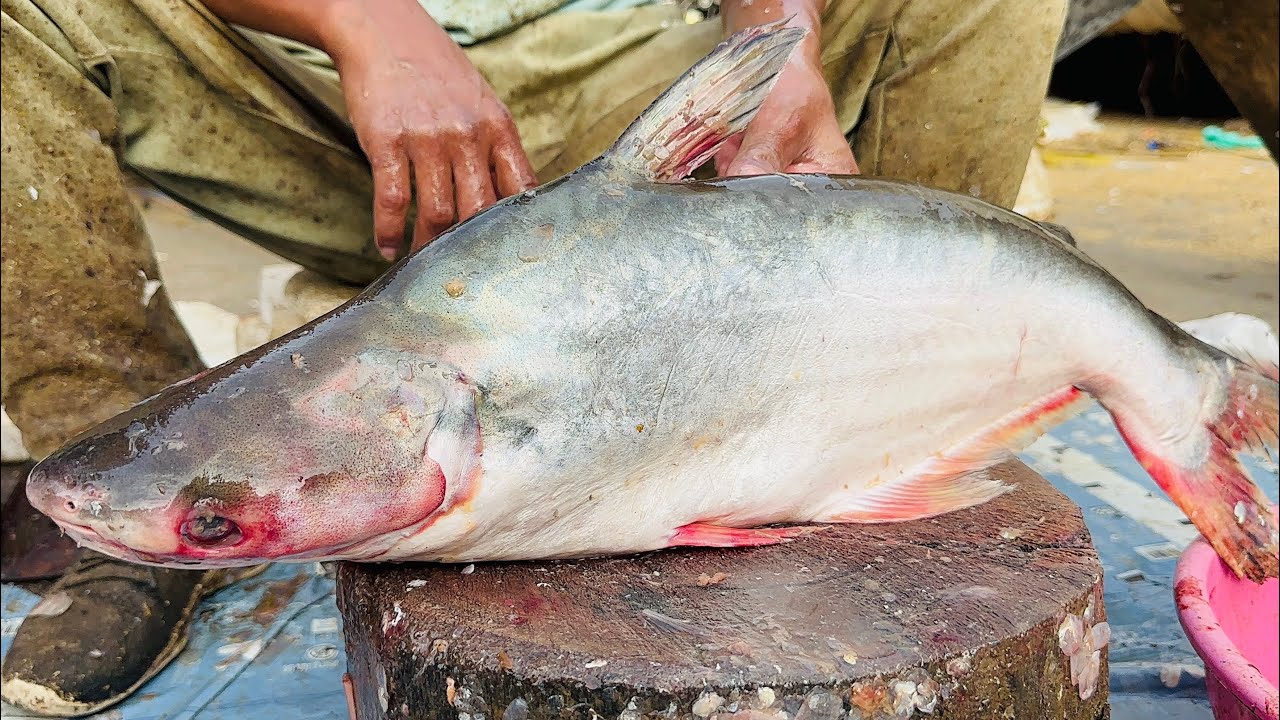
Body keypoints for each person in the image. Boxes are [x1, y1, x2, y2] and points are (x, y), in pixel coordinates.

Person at [0, 0, 1066, 714]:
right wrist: (365, 24)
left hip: (653, 76)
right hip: (336, 101)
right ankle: (152, 505)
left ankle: (902, 405)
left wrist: (778, 37)